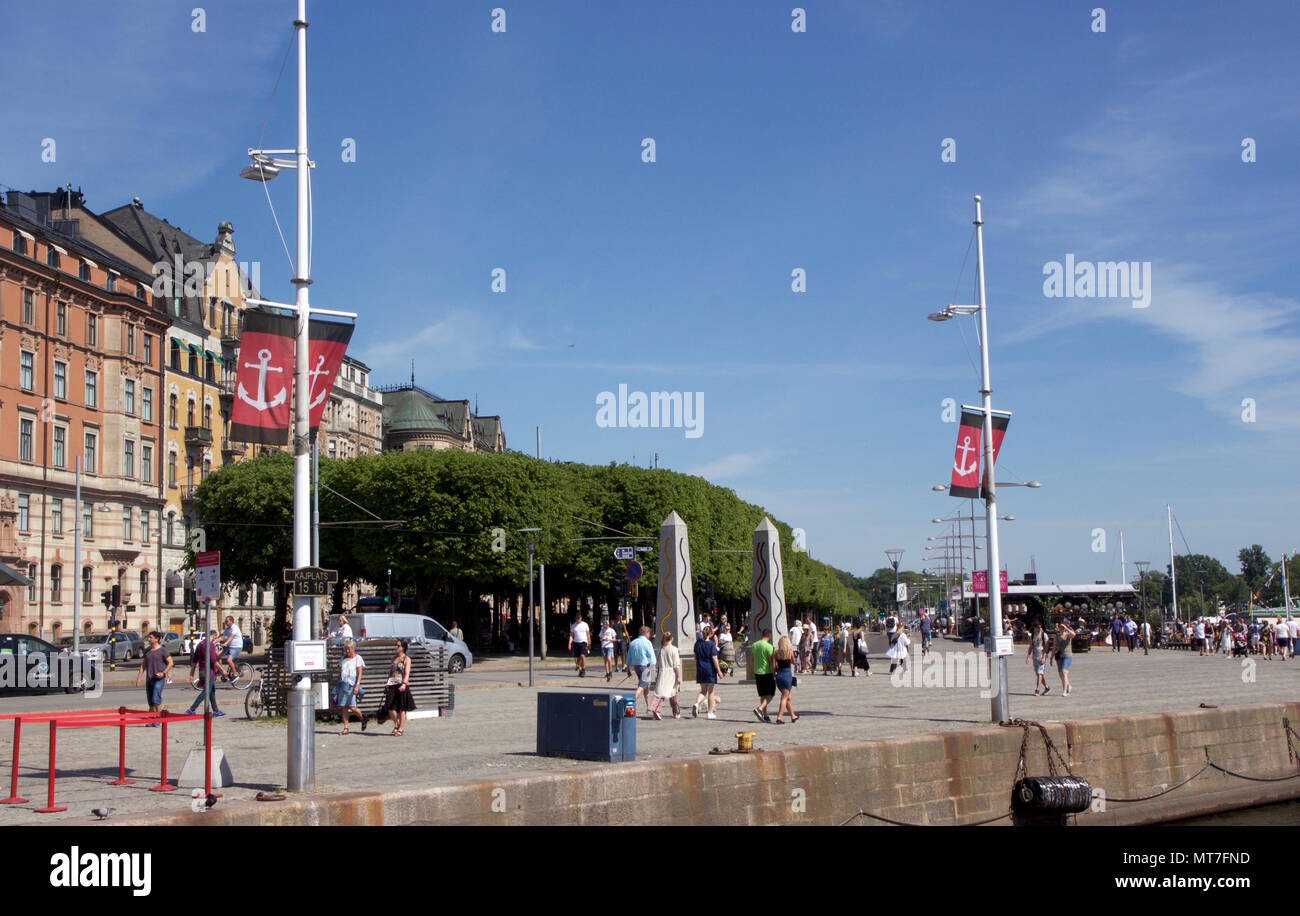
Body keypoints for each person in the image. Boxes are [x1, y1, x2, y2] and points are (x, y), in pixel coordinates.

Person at [378, 639, 415, 736]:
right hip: (392, 685)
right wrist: (387, 683)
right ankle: (396, 724)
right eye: (396, 645)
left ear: (403, 648)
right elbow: (390, 672)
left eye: (398, 646)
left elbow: (407, 673)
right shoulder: (394, 658)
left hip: (402, 685)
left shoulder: (407, 659)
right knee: (390, 707)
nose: (396, 647)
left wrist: (404, 684)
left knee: (402, 709)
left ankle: (401, 729)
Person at [184, 630, 224, 717]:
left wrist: (191, 675)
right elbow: (213, 661)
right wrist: (223, 670)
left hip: (202, 670)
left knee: (211, 691)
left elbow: (194, 661)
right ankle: (192, 709)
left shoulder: (200, 644)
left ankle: (216, 710)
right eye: (215, 638)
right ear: (214, 636)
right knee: (206, 691)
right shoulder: (210, 645)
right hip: (210, 671)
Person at [333, 639, 367, 734]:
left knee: (352, 707)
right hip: (343, 684)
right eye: (346, 649)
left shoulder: (358, 658)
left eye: (349, 649)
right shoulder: (343, 659)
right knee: (343, 707)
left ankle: (362, 717)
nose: (347, 651)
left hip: (352, 685)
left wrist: (357, 686)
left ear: (353, 649)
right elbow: (340, 672)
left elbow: (360, 673)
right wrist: (338, 684)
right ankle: (346, 728)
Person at [136, 631, 173, 717]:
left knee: (156, 699)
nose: (149, 639)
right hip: (149, 679)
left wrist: (164, 673)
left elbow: (170, 663)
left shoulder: (163, 650)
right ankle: (152, 719)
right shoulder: (148, 651)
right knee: (151, 702)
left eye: (150, 637)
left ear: (156, 639)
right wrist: (138, 678)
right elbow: (143, 665)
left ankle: (159, 718)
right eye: (148, 637)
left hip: (159, 679)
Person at [651, 632, 682, 720]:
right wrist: (678, 676)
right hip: (671, 673)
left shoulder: (661, 649)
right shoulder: (674, 649)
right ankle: (676, 712)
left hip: (662, 672)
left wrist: (656, 676)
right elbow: (676, 665)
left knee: (660, 692)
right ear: (672, 638)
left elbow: (657, 664)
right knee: (673, 693)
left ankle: (655, 708)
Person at [692, 625, 721, 718]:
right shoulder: (711, 644)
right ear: (710, 634)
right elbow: (714, 658)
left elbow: (695, 657)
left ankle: (697, 704)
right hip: (710, 669)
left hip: (700, 669)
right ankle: (710, 712)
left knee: (703, 690)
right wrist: (719, 671)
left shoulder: (697, 643)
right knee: (711, 692)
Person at [626, 626, 657, 713]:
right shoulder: (647, 642)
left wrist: (628, 670)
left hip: (636, 667)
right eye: (649, 633)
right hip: (645, 667)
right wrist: (653, 671)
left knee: (645, 686)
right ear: (646, 632)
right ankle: (629, 704)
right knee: (642, 685)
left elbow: (628, 657)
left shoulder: (633, 642)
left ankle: (648, 707)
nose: (649, 635)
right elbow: (652, 658)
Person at [751, 628, 776, 723]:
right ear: (769, 636)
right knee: (770, 693)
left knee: (763, 694)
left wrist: (752, 670)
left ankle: (765, 715)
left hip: (757, 673)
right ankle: (760, 709)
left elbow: (752, 659)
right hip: (767, 672)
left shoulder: (754, 645)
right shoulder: (769, 647)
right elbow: (771, 662)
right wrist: (774, 672)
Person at [772, 636, 799, 724]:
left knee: (787, 698)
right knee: (784, 698)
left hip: (779, 676)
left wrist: (774, 674)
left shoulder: (776, 653)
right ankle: (779, 718)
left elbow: (773, 667)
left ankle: (793, 716)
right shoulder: (789, 652)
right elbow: (794, 662)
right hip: (787, 675)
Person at [216, 616, 244, 682]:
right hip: (229, 646)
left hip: (236, 647)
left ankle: (235, 674)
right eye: (225, 621)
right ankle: (222, 672)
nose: (225, 622)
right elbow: (222, 636)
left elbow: (231, 637)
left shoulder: (235, 628)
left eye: (227, 621)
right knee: (217, 655)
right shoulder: (227, 629)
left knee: (228, 660)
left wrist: (225, 643)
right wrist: (213, 641)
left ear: (231, 621)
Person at [1054, 619, 1075, 696]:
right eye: (1060, 627)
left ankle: (1065, 691)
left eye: (1062, 627)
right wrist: (1051, 657)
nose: (1061, 628)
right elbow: (1054, 647)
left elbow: (1074, 634)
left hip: (1067, 655)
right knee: (1060, 674)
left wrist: (1066, 628)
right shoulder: (1057, 635)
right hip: (1059, 655)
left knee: (1064, 672)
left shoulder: (1068, 634)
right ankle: (1068, 686)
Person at [1027, 623, 1049, 695]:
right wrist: (1028, 656)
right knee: (1039, 674)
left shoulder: (1044, 635)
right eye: (1037, 627)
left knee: (1040, 673)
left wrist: (1044, 657)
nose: (1039, 629)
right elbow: (1031, 646)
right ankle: (1047, 687)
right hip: (1035, 656)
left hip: (1041, 655)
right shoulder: (1032, 635)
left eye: (1040, 627)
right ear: (1034, 628)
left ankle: (1037, 690)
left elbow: (1046, 647)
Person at [568, 613, 591, 677]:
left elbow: (588, 635)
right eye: (577, 618)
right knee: (577, 658)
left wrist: (589, 643)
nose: (578, 619)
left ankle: (583, 669)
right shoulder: (573, 626)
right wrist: (569, 643)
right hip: (576, 642)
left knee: (582, 656)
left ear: (581, 618)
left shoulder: (585, 625)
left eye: (579, 618)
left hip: (583, 642)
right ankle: (580, 670)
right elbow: (571, 636)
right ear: (575, 618)